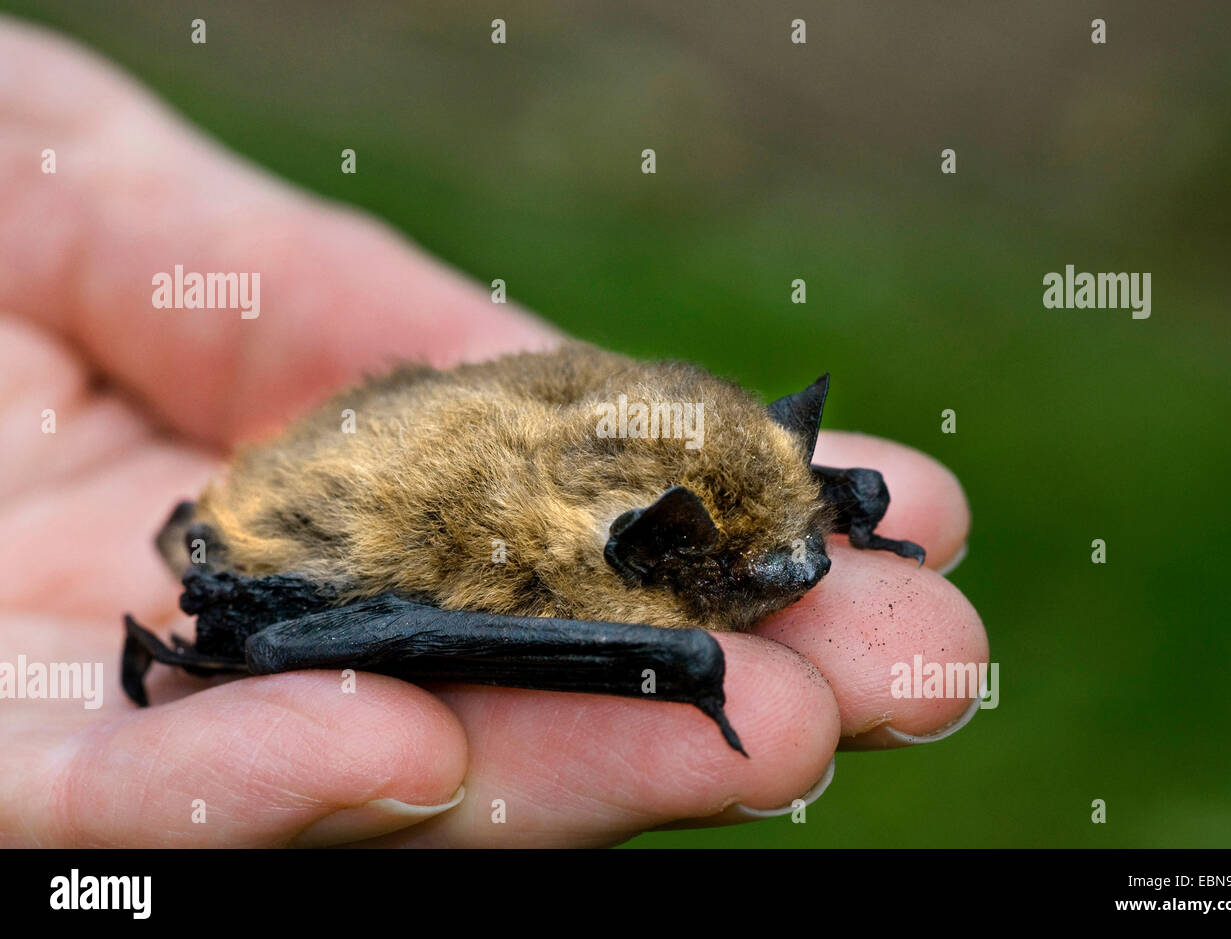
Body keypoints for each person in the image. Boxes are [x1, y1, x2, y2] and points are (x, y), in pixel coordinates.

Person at [0, 15, 983, 847]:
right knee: (372, 699)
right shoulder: (551, 563)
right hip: (312, 530)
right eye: (748, 568)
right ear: (648, 553)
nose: (799, 571)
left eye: (793, 535)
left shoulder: (678, 473)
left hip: (426, 439)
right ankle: (245, 632)